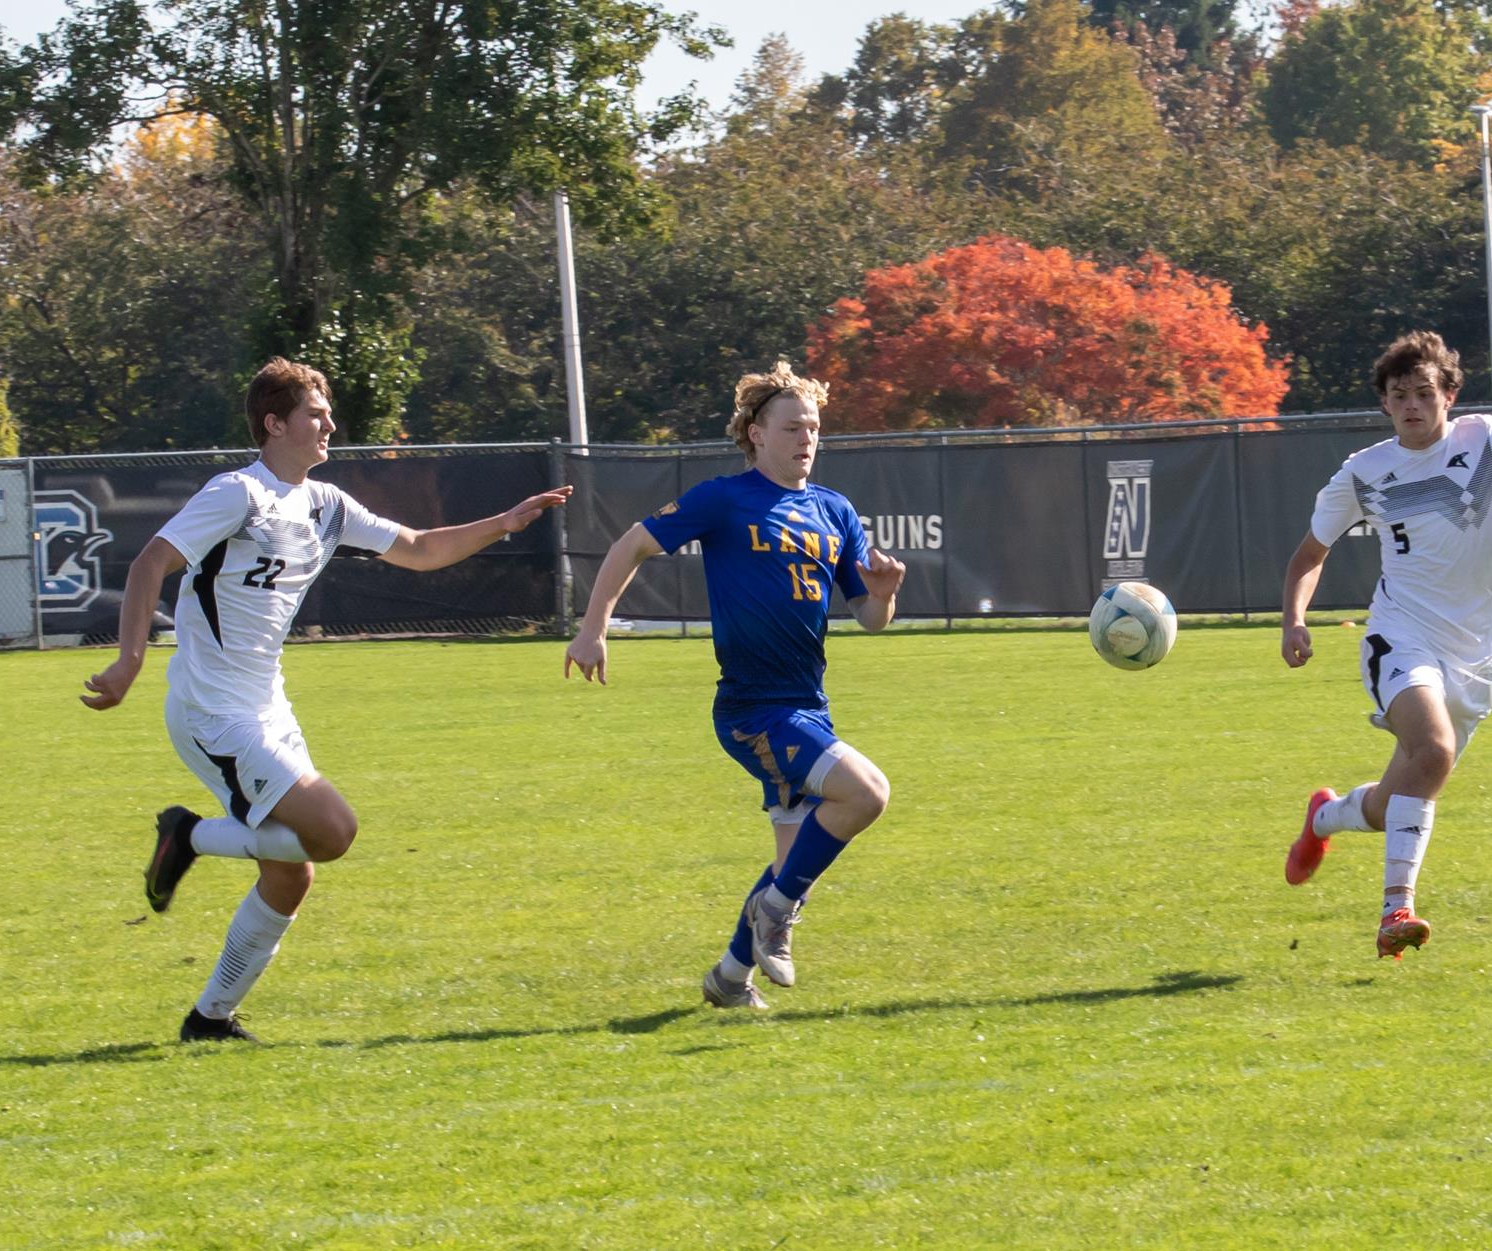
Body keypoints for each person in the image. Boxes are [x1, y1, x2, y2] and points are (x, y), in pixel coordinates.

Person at [80, 357, 570, 1042]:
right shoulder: (238, 494)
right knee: (334, 829)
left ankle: (208, 1021)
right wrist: (130, 660)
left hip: (267, 707)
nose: (329, 424)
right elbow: (149, 562)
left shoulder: (325, 504)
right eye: (315, 413)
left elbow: (421, 548)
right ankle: (187, 834)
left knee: (292, 876)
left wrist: (507, 522)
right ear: (274, 424)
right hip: (211, 712)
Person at [565, 361, 906, 1009]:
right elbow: (630, 546)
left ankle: (728, 976)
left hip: (809, 708)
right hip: (754, 710)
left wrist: (884, 597)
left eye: (813, 428)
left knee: (792, 862)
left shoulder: (835, 510)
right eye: (791, 427)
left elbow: (870, 619)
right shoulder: (724, 498)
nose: (806, 439)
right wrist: (593, 629)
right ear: (755, 433)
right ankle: (774, 915)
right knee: (867, 794)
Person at [1280, 332, 1492, 959]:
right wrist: (1295, 618)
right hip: (1401, 633)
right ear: (1386, 406)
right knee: (1433, 748)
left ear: (1450, 395)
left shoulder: (1486, 440)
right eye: (1400, 396)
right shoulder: (1363, 473)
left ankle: (1325, 817)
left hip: (1479, 657)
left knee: (1402, 792)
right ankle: (1396, 909)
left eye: (1425, 393)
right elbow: (1309, 556)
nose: (1413, 406)